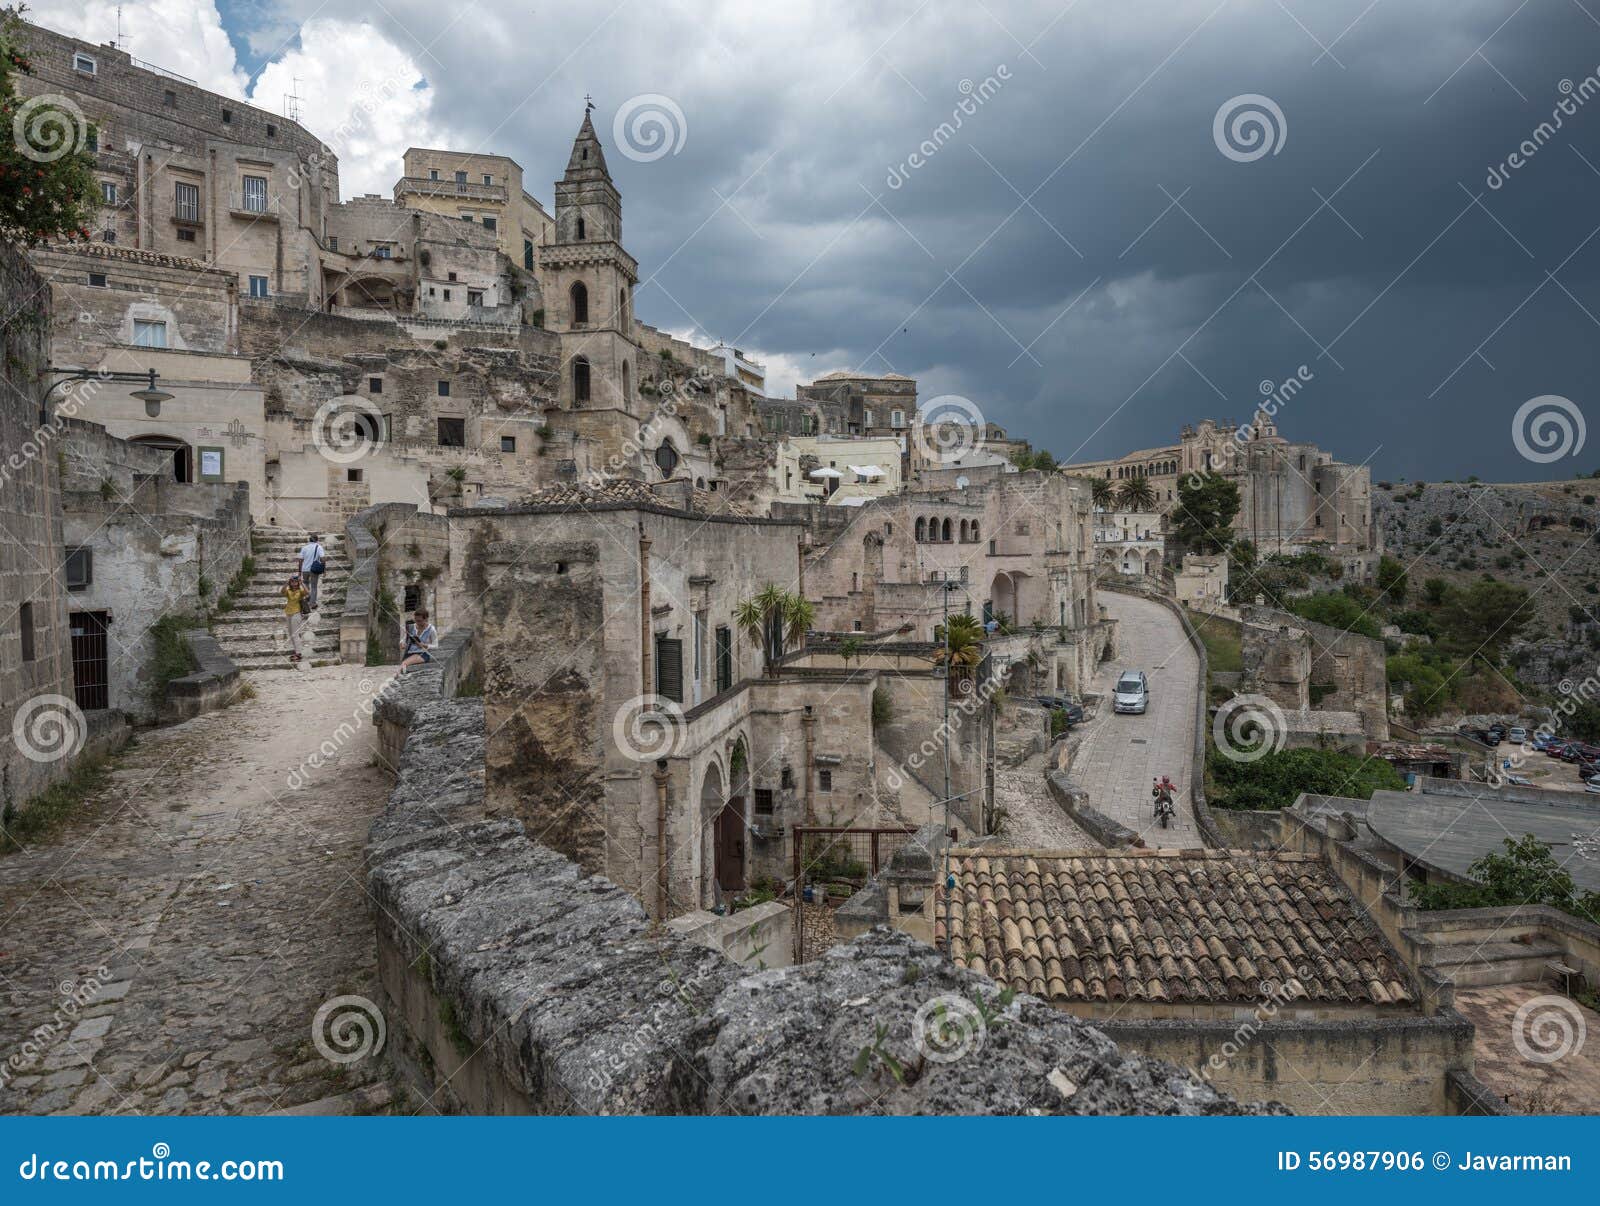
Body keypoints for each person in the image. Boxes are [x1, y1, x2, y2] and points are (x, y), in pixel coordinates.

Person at [282, 572, 309, 663]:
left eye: (296, 582)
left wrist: (302, 583)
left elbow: (307, 592)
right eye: (292, 581)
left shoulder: (300, 591)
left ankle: (298, 653)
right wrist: (286, 583)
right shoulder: (288, 591)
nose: (294, 583)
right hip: (288, 613)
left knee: (295, 634)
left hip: (296, 613)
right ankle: (296, 651)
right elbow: (282, 591)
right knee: (290, 634)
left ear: (298, 582)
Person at [297, 533, 327, 609]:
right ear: (317, 540)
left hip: (305, 569)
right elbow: (323, 559)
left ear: (309, 540)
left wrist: (299, 572)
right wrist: (324, 570)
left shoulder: (304, 548)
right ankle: (312, 603)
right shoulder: (319, 547)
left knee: (306, 583)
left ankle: (308, 596)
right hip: (314, 569)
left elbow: (300, 560)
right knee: (314, 587)